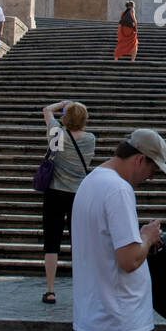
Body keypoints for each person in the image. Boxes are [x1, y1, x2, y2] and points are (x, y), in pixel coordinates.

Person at [70, 129, 166, 331]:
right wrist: (148, 237)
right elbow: (128, 259)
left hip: (96, 317)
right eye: (152, 170)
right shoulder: (118, 189)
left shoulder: (92, 181)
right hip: (118, 322)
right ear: (139, 158)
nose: (151, 178)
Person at [41, 100, 96, 304]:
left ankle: (50, 290)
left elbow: (46, 111)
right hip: (78, 194)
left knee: (51, 242)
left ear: (65, 117)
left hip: (54, 192)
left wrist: (63, 104)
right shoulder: (90, 139)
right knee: (79, 242)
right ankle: (83, 288)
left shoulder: (57, 133)